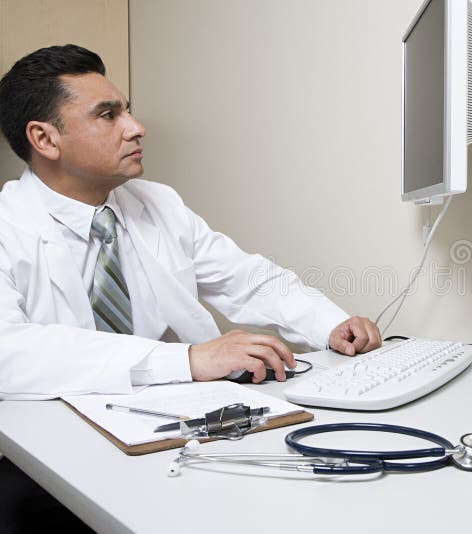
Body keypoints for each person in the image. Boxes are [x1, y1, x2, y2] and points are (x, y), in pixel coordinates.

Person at [0, 44, 382, 400]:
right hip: (58, 428)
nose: (136, 128)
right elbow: (11, 351)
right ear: (45, 139)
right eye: (108, 115)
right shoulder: (8, 226)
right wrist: (188, 360)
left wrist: (330, 325)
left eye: (127, 111)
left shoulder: (158, 203)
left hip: (179, 411)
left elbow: (246, 280)